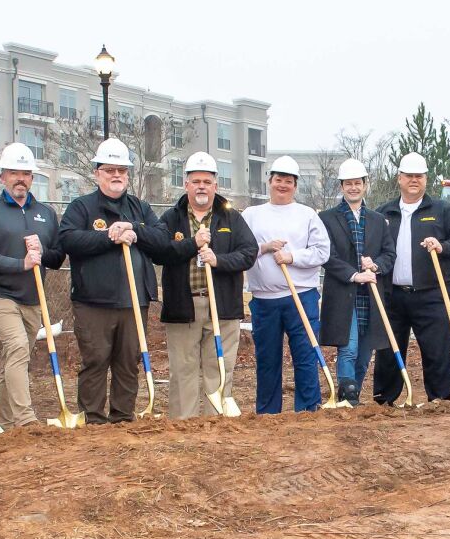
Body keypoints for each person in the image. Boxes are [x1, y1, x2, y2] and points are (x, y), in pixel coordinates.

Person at [58, 138, 168, 423]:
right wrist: (108, 236)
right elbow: (69, 239)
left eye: (121, 170)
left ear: (128, 175)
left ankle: (122, 416)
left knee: (128, 361)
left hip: (134, 301)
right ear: (97, 173)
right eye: (109, 170)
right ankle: (92, 418)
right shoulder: (81, 207)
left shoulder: (140, 209)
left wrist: (134, 230)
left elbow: (162, 239)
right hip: (94, 301)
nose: (116, 175)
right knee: (95, 361)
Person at [155, 151, 257, 418]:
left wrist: (218, 260)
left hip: (221, 306)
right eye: (196, 181)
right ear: (186, 184)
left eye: (207, 181)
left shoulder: (231, 218)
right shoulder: (171, 218)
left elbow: (249, 252)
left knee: (219, 367)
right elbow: (160, 252)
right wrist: (193, 244)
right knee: (183, 370)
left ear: (215, 185)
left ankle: (216, 424)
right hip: (183, 306)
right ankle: (183, 425)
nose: (202, 186)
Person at [0, 143, 64, 428]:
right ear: (2, 177)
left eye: (25, 173)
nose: (20, 178)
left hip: (32, 298)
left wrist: (42, 253)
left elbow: (58, 257)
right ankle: (25, 420)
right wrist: (20, 264)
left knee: (16, 357)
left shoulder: (46, 213)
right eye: (13, 172)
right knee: (18, 346)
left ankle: (0, 421)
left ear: (32, 178)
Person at [374, 153, 450, 403]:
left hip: (431, 294)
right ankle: (385, 400)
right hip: (393, 294)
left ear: (426, 179)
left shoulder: (443, 209)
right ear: (399, 179)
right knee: (388, 349)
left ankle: (438, 400)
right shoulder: (384, 212)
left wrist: (442, 246)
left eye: (419, 176)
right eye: (409, 176)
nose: (413, 180)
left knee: (436, 351)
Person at [240, 157, 331, 413]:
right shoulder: (252, 215)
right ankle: (268, 413)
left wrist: (293, 257)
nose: (283, 185)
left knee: (305, 356)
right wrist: (264, 248)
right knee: (267, 360)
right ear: (269, 181)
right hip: (264, 301)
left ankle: (308, 409)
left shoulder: (307, 214)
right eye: (278, 180)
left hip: (301, 297)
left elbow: (322, 252)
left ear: (295, 185)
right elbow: (242, 250)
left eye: (288, 181)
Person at [318, 158, 394, 405]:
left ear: (365, 185)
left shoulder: (377, 219)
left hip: (370, 294)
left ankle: (353, 395)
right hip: (343, 292)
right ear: (341, 186)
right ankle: (347, 398)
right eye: (348, 184)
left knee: (364, 353)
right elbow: (327, 255)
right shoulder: (327, 218)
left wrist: (376, 266)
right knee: (348, 348)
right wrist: (353, 274)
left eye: (357, 183)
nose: (353, 187)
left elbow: (389, 254)